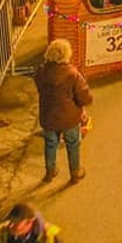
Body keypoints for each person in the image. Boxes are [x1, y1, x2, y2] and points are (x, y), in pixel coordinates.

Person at [36, 40, 92, 186]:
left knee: (50, 143)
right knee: (73, 144)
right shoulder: (72, 74)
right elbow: (84, 96)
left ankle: (50, 171)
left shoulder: (41, 72)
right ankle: (75, 173)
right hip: (70, 118)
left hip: (48, 116)